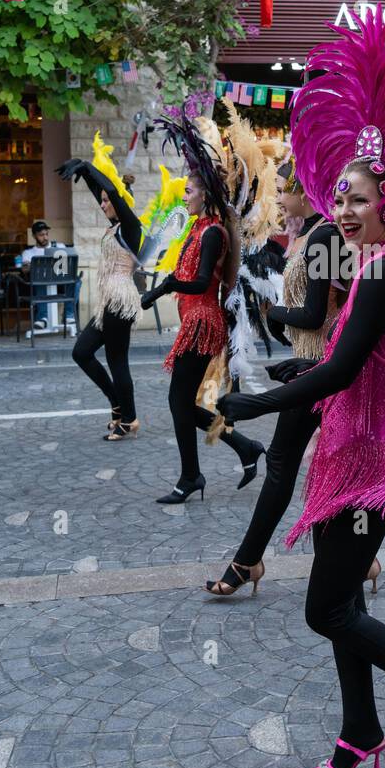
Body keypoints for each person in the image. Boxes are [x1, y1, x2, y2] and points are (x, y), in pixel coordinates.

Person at [220, 12, 385, 768]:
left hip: (367, 463)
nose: (342, 208)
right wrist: (284, 379)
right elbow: (350, 358)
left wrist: (252, 408)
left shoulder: (383, 270)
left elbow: (338, 375)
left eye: (358, 199)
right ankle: (357, 739)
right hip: (355, 452)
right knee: (344, 611)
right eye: (338, 196)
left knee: (327, 611)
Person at [204, 156, 348, 599]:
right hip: (309, 362)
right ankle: (358, 562)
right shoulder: (308, 236)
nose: (278, 200)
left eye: (282, 190)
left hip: (322, 365)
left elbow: (315, 311)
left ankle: (248, 562)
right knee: (322, 466)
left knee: (285, 464)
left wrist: (273, 311)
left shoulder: (323, 236)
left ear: (303, 191)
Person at [142, 116, 265, 504]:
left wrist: (165, 285)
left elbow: (200, 284)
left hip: (202, 322)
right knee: (181, 403)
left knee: (179, 403)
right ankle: (242, 448)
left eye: (189, 191)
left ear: (205, 193)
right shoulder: (196, 228)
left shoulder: (212, 232)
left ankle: (191, 476)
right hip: (191, 320)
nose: (184, 197)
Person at [57, 153, 142, 440]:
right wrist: (84, 169)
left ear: (120, 203)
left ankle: (128, 419)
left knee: (118, 361)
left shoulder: (131, 227)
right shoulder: (115, 225)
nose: (103, 204)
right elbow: (104, 194)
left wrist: (89, 167)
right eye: (102, 201)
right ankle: (117, 406)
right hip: (109, 302)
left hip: (121, 301)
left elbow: (115, 195)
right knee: (81, 352)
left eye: (107, 201)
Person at [20, 220, 72, 330]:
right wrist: (34, 266)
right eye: (41, 235)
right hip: (41, 283)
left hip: (60, 283)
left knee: (75, 281)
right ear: (34, 236)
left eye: (46, 234)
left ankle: (68, 315)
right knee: (39, 278)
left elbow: (67, 264)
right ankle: (42, 318)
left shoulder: (59, 246)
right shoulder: (28, 253)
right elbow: (24, 269)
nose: (45, 237)